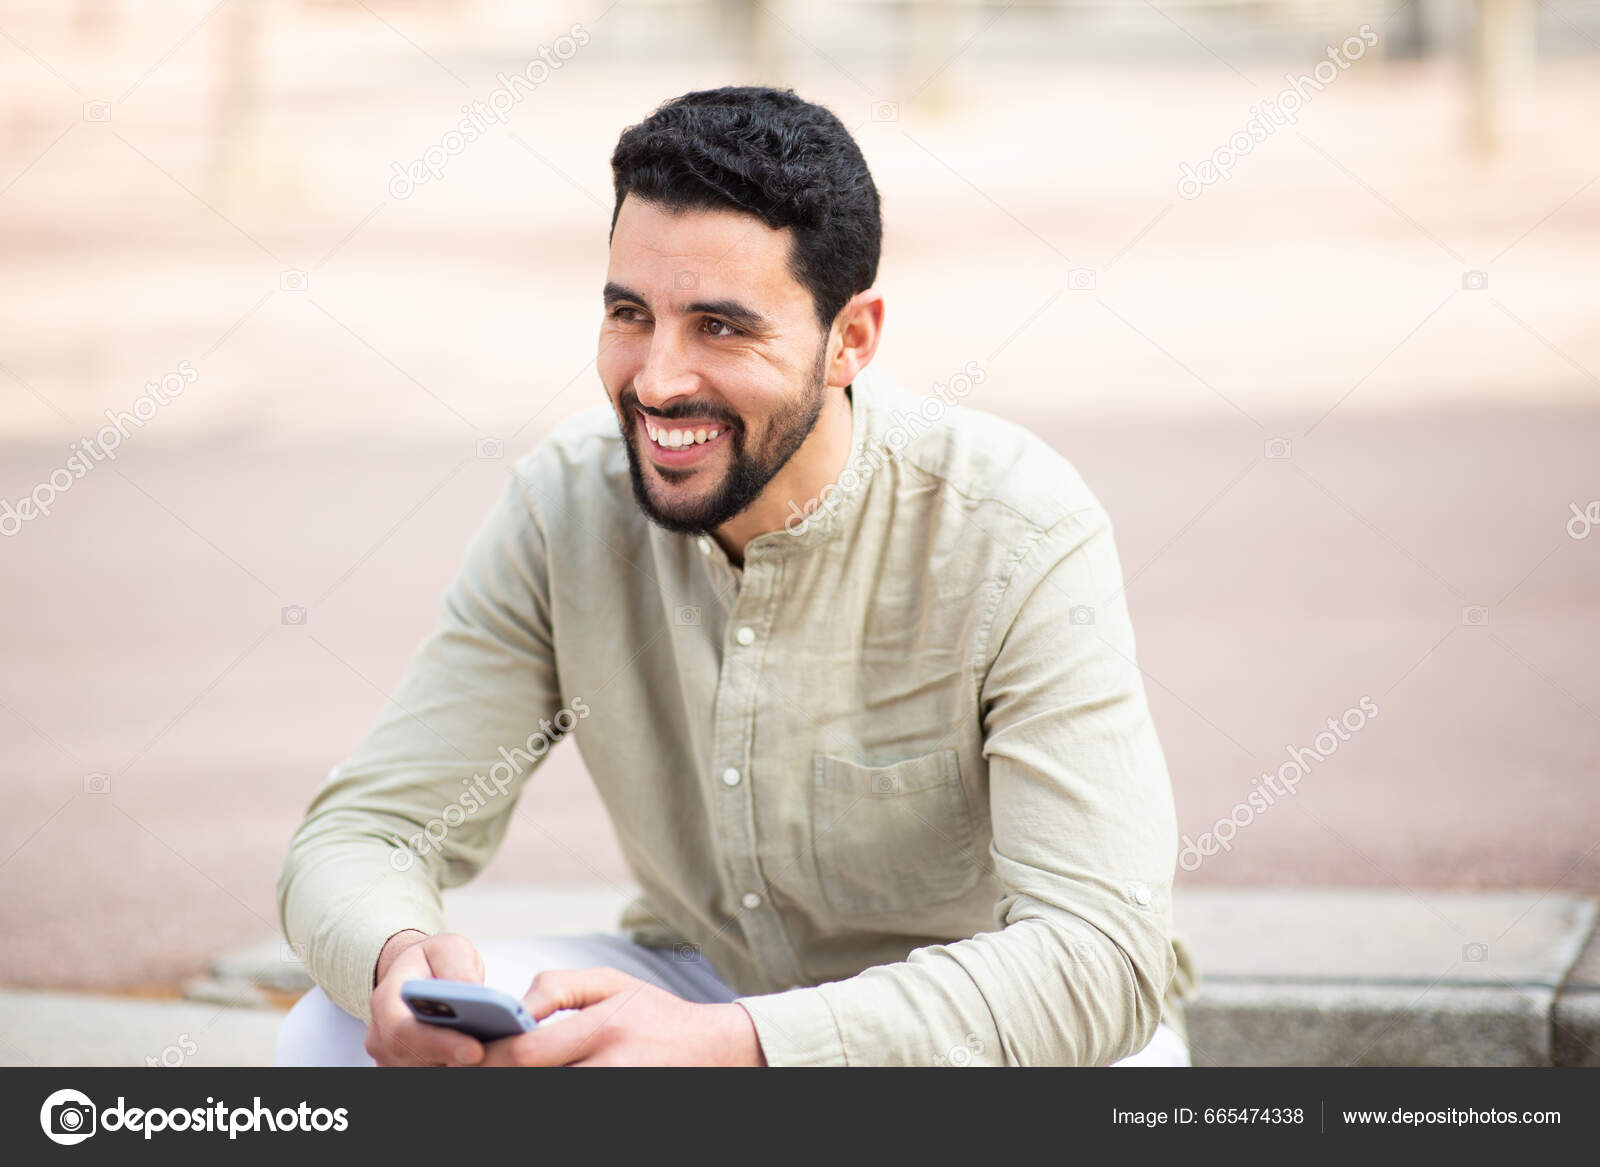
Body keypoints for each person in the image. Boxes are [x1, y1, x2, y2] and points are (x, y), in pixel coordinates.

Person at [275, 85, 1196, 1067]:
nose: (659, 380)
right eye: (632, 313)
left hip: (976, 1031)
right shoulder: (565, 506)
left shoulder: (1015, 526)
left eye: (719, 327)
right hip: (700, 984)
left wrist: (742, 1044)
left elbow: (1100, 959)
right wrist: (406, 961)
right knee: (334, 1036)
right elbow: (368, 833)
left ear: (851, 340)